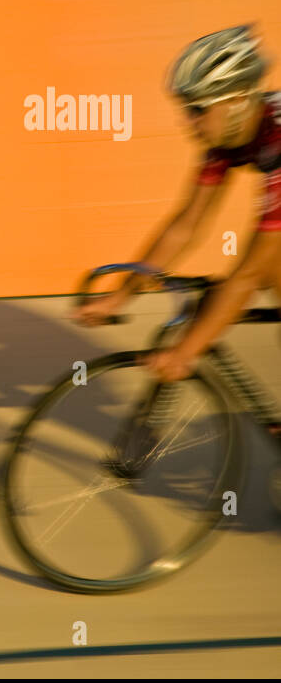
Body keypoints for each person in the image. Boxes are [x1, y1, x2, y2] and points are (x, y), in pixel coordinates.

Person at [73, 25, 281, 402]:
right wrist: (122, 296)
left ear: (235, 101)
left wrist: (187, 351)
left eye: (197, 110)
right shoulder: (229, 136)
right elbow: (186, 225)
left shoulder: (277, 140)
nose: (186, 122)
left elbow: (251, 270)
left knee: (267, 267)